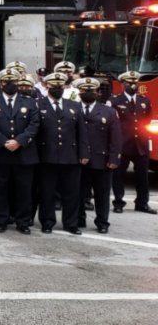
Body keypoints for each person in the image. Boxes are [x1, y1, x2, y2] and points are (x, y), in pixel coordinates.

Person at [0, 68, 40, 234]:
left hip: (24, 153)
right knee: (0, 189)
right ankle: (1, 220)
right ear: (1, 83)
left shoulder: (29, 102)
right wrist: (3, 142)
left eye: (13, 82)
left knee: (24, 190)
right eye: (7, 82)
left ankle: (23, 221)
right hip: (0, 152)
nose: (10, 85)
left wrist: (19, 142)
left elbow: (34, 125)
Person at [36, 72, 89, 234]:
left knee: (71, 193)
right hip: (47, 156)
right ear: (46, 87)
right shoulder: (38, 105)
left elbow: (81, 132)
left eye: (60, 86)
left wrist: (84, 153)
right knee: (47, 192)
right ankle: (47, 221)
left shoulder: (74, 105)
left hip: (70, 155)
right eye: (53, 86)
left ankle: (71, 223)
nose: (57, 89)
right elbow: (35, 132)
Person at [76, 77, 121, 235]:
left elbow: (115, 137)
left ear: (97, 93)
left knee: (102, 193)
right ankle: (79, 219)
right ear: (79, 93)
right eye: (84, 91)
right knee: (78, 192)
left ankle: (102, 222)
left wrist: (114, 158)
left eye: (91, 91)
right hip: (77, 158)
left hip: (101, 159)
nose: (88, 93)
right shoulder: (73, 109)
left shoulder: (108, 111)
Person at [110, 70, 156, 214]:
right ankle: (118, 202)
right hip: (123, 143)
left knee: (142, 176)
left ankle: (142, 203)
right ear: (123, 84)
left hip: (140, 143)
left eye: (134, 82)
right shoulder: (115, 101)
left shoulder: (144, 101)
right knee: (119, 175)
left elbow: (146, 120)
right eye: (129, 83)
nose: (132, 85)